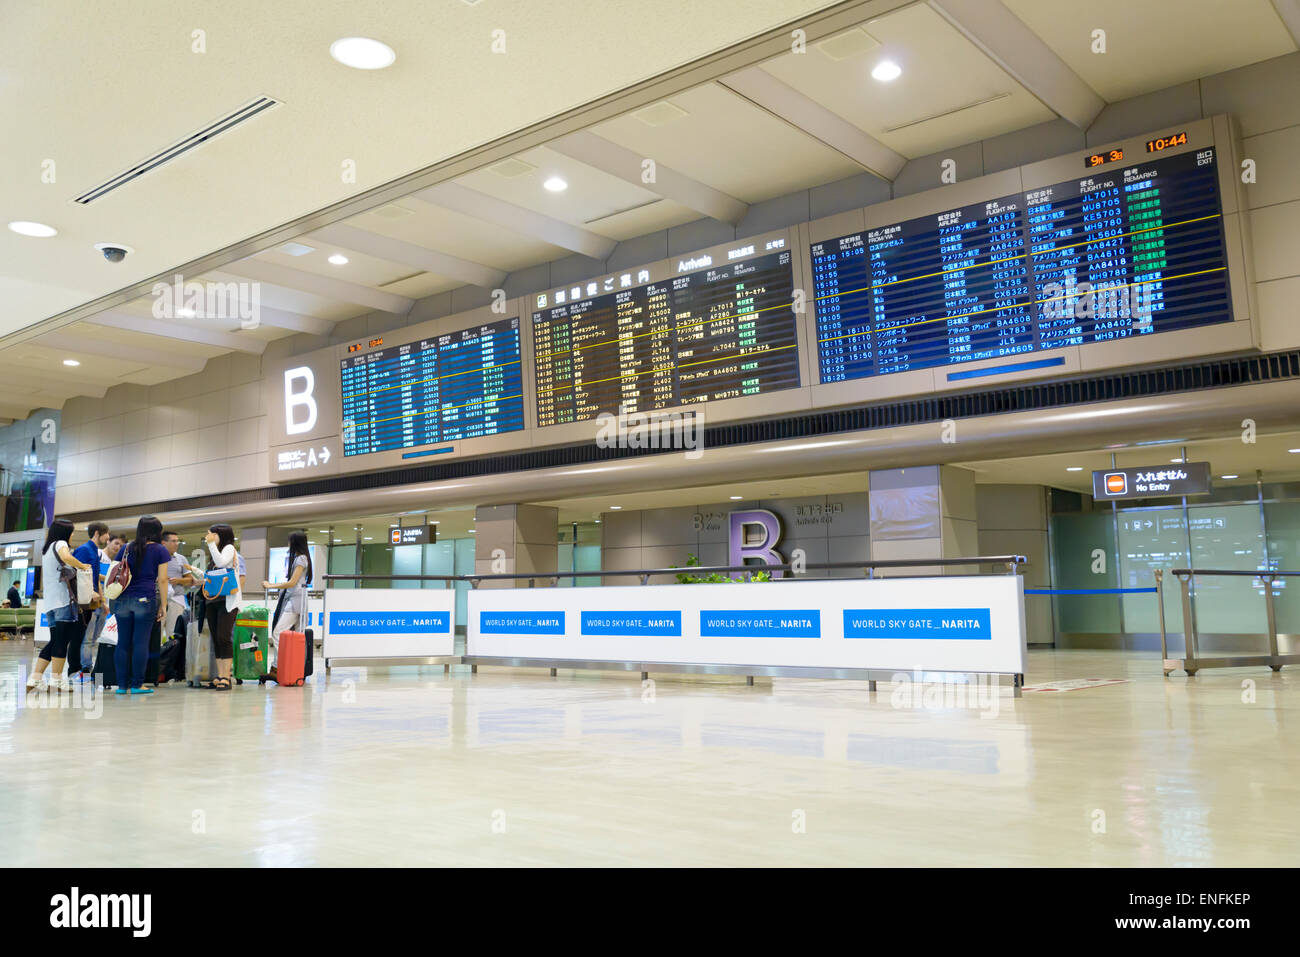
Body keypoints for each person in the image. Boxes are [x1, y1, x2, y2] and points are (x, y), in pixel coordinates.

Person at [26, 518, 96, 693]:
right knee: (62, 641)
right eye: (71, 532)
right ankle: (56, 680)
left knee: (56, 640)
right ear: (66, 533)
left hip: (50, 603)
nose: (72, 535)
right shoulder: (61, 544)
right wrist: (82, 566)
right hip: (63, 602)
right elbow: (66, 557)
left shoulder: (46, 549)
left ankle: (34, 678)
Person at [113, 516, 170, 696]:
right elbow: (162, 579)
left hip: (122, 599)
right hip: (145, 600)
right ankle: (137, 684)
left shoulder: (126, 547)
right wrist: (164, 605)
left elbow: (114, 570)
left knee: (122, 642)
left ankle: (122, 685)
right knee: (140, 643)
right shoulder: (160, 550)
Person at [262, 531, 312, 680]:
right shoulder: (299, 558)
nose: (288, 544)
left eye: (290, 541)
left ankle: (280, 666)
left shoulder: (301, 559)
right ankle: (293, 669)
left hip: (295, 601)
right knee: (297, 636)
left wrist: (270, 585)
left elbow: (292, 582)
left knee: (278, 633)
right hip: (298, 600)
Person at [69, 522, 110, 680]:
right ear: (98, 533)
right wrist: (89, 592)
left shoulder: (95, 552)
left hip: (92, 601)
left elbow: (94, 577)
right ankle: (75, 670)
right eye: (106, 534)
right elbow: (76, 574)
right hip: (82, 601)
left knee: (88, 636)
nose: (108, 537)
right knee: (79, 636)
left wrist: (102, 600)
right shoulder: (85, 550)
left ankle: (82, 669)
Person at [204, 523, 243, 691]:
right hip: (213, 600)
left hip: (227, 601)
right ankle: (220, 675)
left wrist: (211, 544)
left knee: (224, 638)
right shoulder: (216, 552)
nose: (210, 537)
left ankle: (226, 677)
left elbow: (221, 564)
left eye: (213, 534)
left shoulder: (228, 548)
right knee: (217, 639)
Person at [81, 532, 125, 673]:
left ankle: (92, 664)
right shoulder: (98, 554)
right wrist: (109, 578)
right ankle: (86, 666)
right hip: (95, 600)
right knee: (88, 637)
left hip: (106, 602)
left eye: (121, 545)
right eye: (116, 543)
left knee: (97, 638)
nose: (118, 547)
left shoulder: (112, 561)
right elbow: (92, 573)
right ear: (108, 542)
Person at [161, 530, 197, 640]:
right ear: (163, 543)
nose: (177, 544)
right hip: (158, 601)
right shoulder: (155, 558)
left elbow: (190, 580)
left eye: (177, 541)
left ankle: (170, 657)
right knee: (155, 633)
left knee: (173, 635)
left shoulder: (181, 559)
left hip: (176, 600)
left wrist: (178, 580)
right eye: (173, 541)